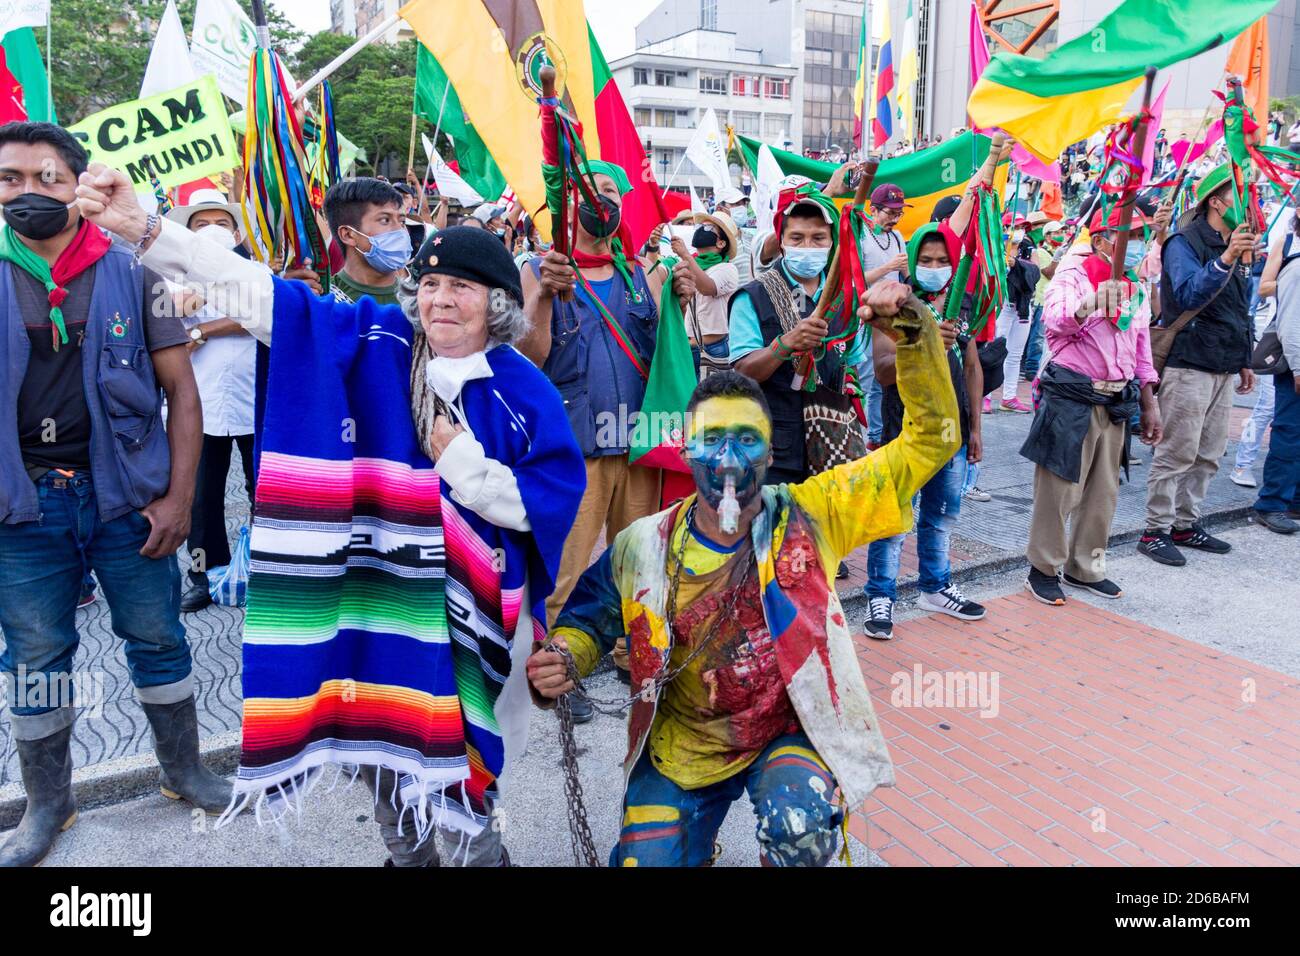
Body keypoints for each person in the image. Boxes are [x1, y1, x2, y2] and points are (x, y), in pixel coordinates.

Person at [74, 162, 587, 867]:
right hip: (377, 602)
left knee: (469, 773)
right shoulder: (381, 342)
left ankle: (481, 857)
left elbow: (548, 502)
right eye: (430, 284)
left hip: (480, 612)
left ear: (496, 301)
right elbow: (266, 300)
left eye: (460, 287)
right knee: (380, 750)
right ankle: (409, 859)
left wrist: (459, 461)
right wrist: (148, 230)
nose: (439, 300)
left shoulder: (523, 389)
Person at [525, 279, 961, 867]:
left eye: (747, 440)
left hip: (787, 731)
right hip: (682, 745)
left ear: (768, 449)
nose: (729, 458)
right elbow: (589, 618)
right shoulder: (641, 546)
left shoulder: (815, 513)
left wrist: (912, 331)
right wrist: (565, 659)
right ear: (685, 450)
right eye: (712, 439)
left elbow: (931, 441)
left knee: (799, 826)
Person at [0, 122, 229, 866]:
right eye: (9, 180)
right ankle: (47, 803)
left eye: (45, 179)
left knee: (159, 637)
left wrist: (181, 501)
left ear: (78, 186)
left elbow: (182, 395)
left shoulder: (136, 275)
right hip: (22, 507)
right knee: (35, 655)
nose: (27, 193)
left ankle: (185, 770)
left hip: (125, 499)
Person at [521, 158, 694, 688]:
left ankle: (629, 655)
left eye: (611, 192)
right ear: (569, 202)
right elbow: (528, 352)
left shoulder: (641, 274)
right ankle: (558, 666)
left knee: (640, 562)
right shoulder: (536, 269)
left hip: (638, 447)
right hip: (576, 448)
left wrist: (681, 301)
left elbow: (668, 358)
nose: (605, 200)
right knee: (565, 569)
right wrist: (545, 293)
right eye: (592, 191)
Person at [1022, 207, 1163, 605]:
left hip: (1116, 399)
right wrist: (1089, 303)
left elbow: (1141, 347)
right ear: (1101, 241)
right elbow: (1054, 319)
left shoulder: (1133, 285)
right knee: (1060, 490)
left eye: (1139, 237)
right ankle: (1043, 569)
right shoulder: (1074, 274)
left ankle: (1086, 568)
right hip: (1072, 398)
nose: (1135, 245)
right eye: (1128, 236)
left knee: (1103, 492)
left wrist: (1149, 402)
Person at [862, 220, 986, 639]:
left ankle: (935, 586)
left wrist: (976, 429)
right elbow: (881, 372)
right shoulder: (893, 303)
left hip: (952, 432)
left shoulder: (960, 305)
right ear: (912, 261)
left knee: (942, 516)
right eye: (926, 259)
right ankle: (880, 594)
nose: (934, 266)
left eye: (943, 260)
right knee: (893, 518)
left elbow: (972, 368)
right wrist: (926, 342)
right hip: (906, 435)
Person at [1139, 164, 1257, 566]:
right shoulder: (1183, 242)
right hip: (1189, 361)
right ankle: (1155, 529)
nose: (1242, 205)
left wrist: (1244, 357)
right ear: (1215, 201)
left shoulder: (1236, 244)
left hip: (1223, 362)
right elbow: (1189, 293)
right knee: (1177, 451)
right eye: (1235, 196)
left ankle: (1185, 523)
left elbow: (1241, 307)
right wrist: (1226, 257)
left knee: (1209, 452)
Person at [729, 186, 868, 487]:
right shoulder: (752, 296)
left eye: (818, 238)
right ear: (781, 243)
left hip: (834, 449)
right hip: (772, 451)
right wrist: (785, 344)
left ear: (832, 243)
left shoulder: (846, 299)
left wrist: (849, 390)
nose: (808, 245)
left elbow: (853, 366)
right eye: (797, 238)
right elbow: (743, 373)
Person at [164, 189, 259, 612]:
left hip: (256, 399)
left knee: (266, 490)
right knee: (203, 495)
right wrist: (192, 297)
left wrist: (203, 329)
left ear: (236, 230)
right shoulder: (170, 278)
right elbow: (166, 323)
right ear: (187, 233)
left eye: (221, 222)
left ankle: (271, 566)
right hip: (199, 404)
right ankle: (204, 573)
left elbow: (253, 316)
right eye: (201, 224)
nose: (212, 230)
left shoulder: (254, 271)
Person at [1250, 213, 1300, 533]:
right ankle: (1272, 503)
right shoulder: (1295, 261)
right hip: (1296, 364)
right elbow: (1291, 324)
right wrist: (1298, 368)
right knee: (1290, 433)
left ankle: (1293, 499)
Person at [667, 210, 740, 377]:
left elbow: (707, 287)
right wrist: (653, 246)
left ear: (721, 243)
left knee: (716, 399)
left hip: (716, 349)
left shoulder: (727, 269)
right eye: (702, 226)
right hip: (690, 347)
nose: (702, 229)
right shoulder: (690, 263)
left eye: (710, 229)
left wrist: (685, 254)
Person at [324, 177, 411, 307]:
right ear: (348, 235)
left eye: (402, 221)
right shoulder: (322, 300)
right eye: (385, 220)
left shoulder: (421, 301)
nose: (400, 230)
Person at [994, 224, 1042, 412]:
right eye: (1013, 225)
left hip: (1022, 306)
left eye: (1022, 226)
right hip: (1002, 304)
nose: (1017, 229)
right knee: (994, 350)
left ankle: (1009, 397)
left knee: (1014, 354)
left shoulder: (1028, 246)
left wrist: (1017, 264)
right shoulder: (996, 243)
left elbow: (1036, 272)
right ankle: (985, 396)